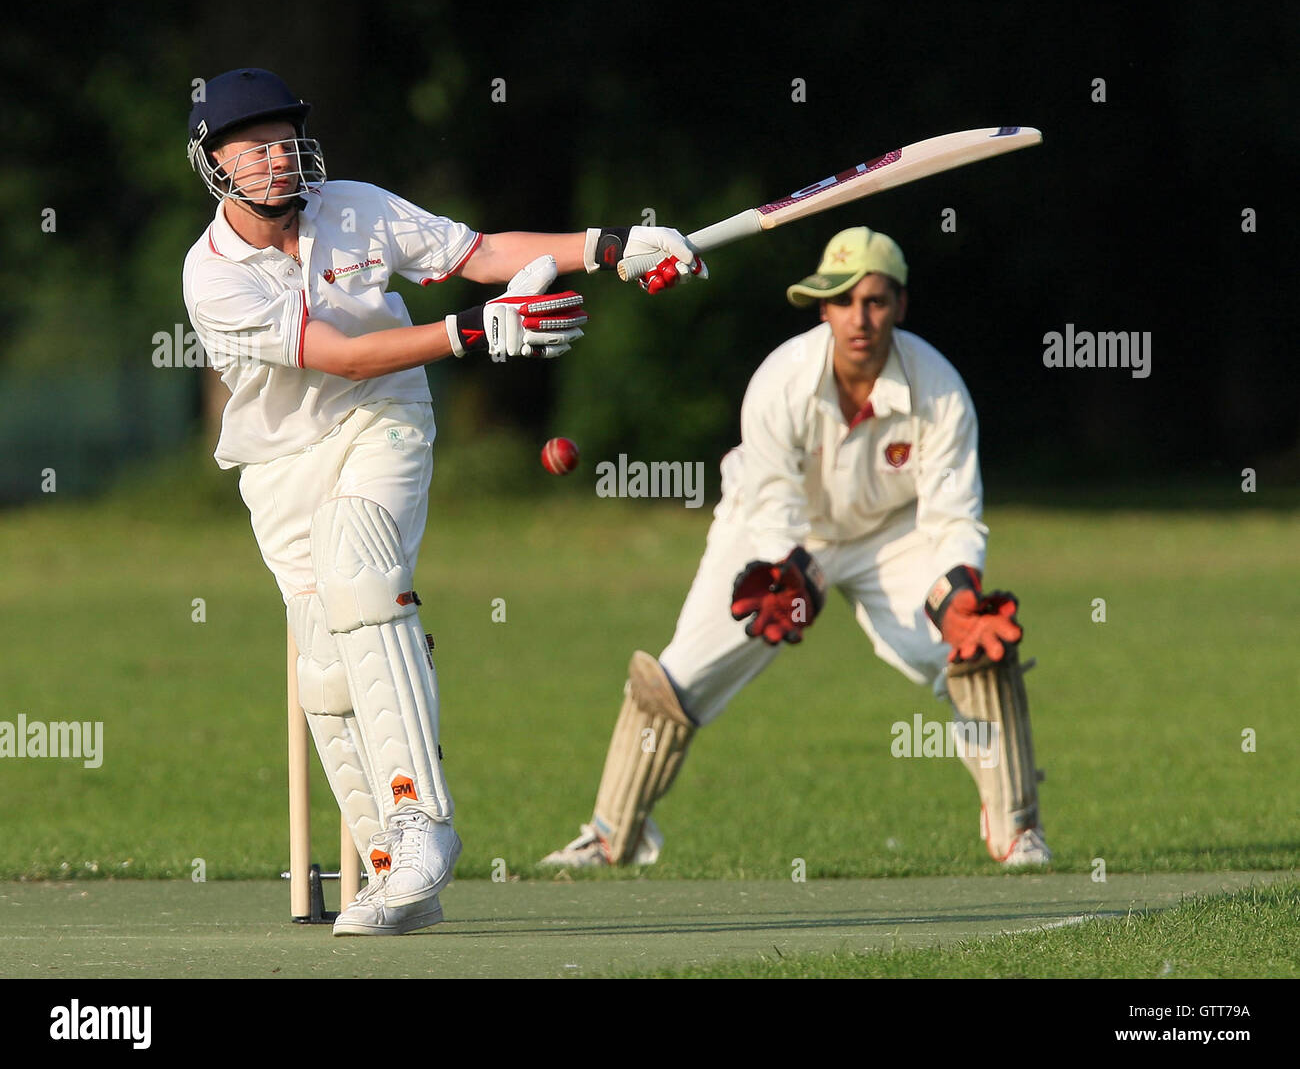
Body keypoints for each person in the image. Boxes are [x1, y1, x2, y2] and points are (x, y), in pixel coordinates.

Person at [182, 68, 703, 935]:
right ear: (215, 162)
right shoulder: (211, 278)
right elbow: (336, 355)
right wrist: (471, 329)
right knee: (325, 667)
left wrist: (614, 244)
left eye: (283, 137)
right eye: (254, 144)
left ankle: (423, 823)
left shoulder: (351, 204)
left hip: (384, 420)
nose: (277, 157)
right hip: (279, 466)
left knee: (362, 570)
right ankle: (392, 869)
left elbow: (480, 255)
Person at [540, 226, 1050, 871]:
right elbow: (774, 501)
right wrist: (789, 573)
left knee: (975, 650)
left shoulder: (939, 387)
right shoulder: (781, 379)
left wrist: (958, 589)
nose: (859, 318)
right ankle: (612, 834)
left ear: (900, 306)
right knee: (676, 678)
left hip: (890, 536)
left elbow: (953, 511)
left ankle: (1016, 830)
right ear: (823, 308)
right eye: (843, 301)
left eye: (876, 301)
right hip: (771, 530)